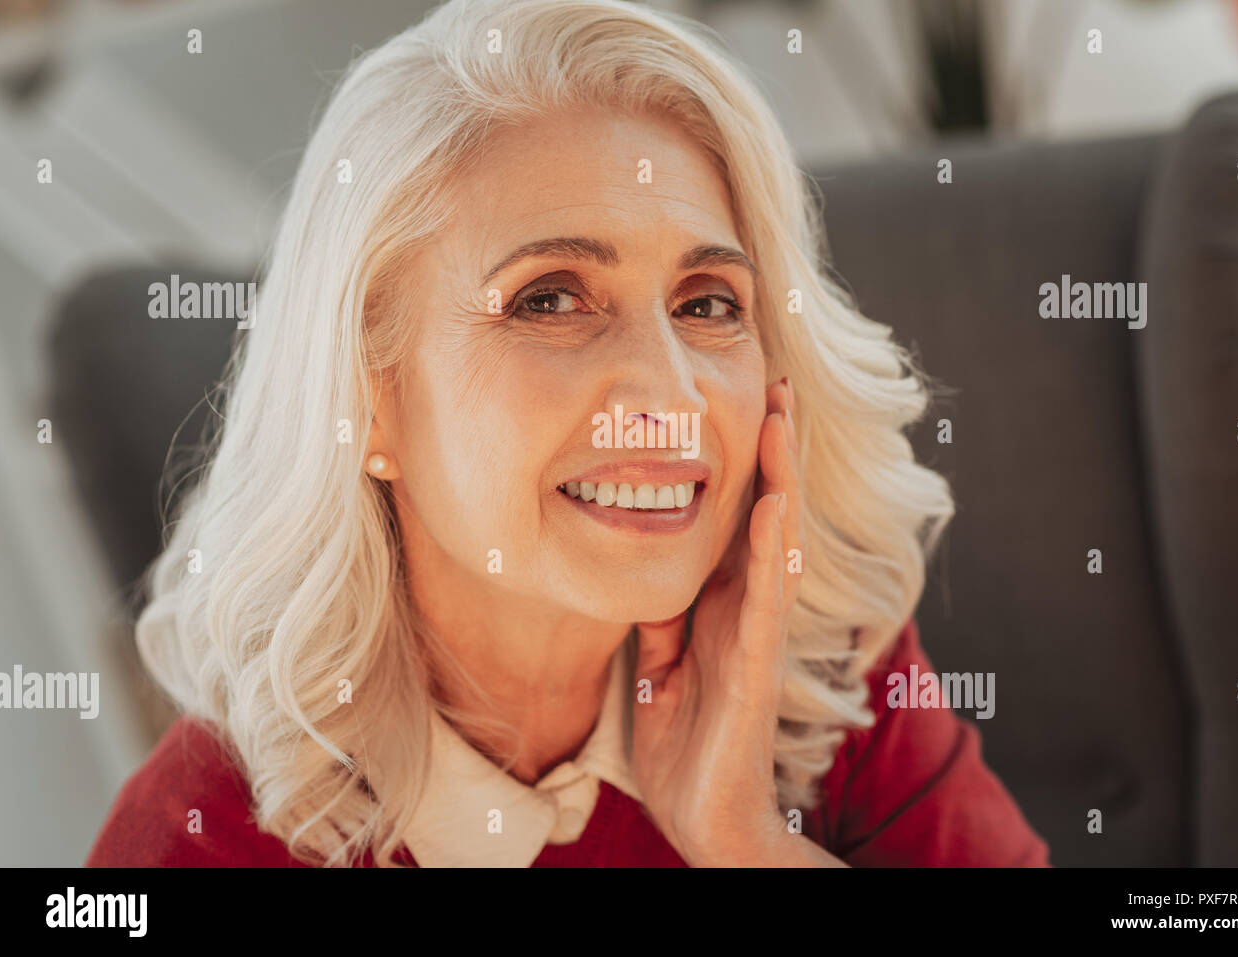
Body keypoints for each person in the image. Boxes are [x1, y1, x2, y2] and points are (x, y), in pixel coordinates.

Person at [86, 0, 1048, 868]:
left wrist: (742, 841)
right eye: (550, 299)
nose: (672, 394)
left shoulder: (821, 673)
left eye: (708, 302)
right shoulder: (199, 839)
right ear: (365, 401)